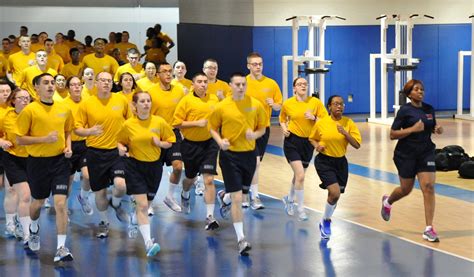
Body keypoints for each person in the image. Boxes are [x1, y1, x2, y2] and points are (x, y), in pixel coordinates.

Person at [16, 73, 74, 262]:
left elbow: (67, 130)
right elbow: (19, 139)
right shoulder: (30, 110)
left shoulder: (64, 108)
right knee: (38, 203)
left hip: (60, 162)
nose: (50, 86)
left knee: (60, 203)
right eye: (45, 83)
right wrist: (44, 139)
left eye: (52, 83)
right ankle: (33, 228)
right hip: (38, 163)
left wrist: (68, 146)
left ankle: (61, 247)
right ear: (36, 88)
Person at [210, 72, 267, 255]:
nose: (241, 87)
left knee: (242, 193)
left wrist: (255, 135)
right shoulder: (222, 106)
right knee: (238, 199)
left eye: (243, 84)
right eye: (237, 84)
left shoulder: (255, 105)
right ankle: (241, 239)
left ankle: (223, 196)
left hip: (249, 155)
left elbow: (262, 128)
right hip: (229, 157)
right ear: (230, 85)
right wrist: (220, 142)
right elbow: (212, 128)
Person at [381, 79, 443, 242]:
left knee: (428, 187)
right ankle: (388, 201)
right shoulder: (404, 111)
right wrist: (412, 129)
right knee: (406, 189)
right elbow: (393, 134)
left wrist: (437, 128)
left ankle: (429, 228)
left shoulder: (429, 109)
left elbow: (432, 125)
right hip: (406, 154)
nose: (421, 91)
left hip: (426, 152)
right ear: (409, 94)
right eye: (417, 89)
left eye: (422, 89)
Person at [118, 91, 175, 257]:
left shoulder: (159, 122)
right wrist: (121, 148)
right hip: (134, 166)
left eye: (148, 101)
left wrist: (160, 143)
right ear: (135, 106)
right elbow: (120, 141)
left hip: (154, 167)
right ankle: (149, 243)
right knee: (143, 205)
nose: (146, 104)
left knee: (147, 204)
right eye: (142, 101)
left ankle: (135, 218)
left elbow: (170, 142)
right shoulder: (128, 124)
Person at [75, 72, 131, 238]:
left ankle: (115, 203)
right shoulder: (87, 103)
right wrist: (89, 131)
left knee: (121, 186)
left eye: (109, 80)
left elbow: (131, 122)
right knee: (99, 193)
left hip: (116, 151)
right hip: (95, 153)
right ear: (96, 83)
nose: (106, 83)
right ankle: (104, 222)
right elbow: (77, 128)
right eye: (103, 80)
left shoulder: (121, 100)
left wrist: (128, 145)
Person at [308, 95, 361, 240]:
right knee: (335, 193)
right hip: (324, 161)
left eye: (341, 104)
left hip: (341, 163)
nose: (339, 106)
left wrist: (345, 133)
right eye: (336, 104)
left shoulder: (348, 123)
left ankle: (324, 219)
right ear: (329, 107)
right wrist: (317, 146)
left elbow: (357, 144)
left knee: (334, 196)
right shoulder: (322, 123)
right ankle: (326, 221)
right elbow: (312, 138)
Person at [172, 73, 220, 229]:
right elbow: (176, 123)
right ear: (193, 84)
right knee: (190, 179)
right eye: (199, 81)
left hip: (210, 144)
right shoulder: (186, 101)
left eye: (205, 82)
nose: (203, 84)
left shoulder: (214, 99)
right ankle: (185, 193)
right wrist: (196, 123)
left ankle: (210, 216)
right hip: (191, 145)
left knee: (209, 180)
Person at [279, 77, 328, 220]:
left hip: (309, 143)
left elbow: (325, 121)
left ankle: (289, 198)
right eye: (299, 84)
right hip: (292, 141)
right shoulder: (288, 103)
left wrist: (314, 118)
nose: (303, 86)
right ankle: (300, 209)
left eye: (305, 84)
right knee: (300, 175)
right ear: (294, 88)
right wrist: (284, 128)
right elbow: (282, 119)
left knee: (298, 176)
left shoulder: (315, 102)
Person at [245, 52, 283, 209]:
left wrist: (274, 104)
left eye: (260, 63)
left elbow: (279, 105)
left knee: (254, 163)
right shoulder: (242, 83)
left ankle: (236, 193)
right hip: (245, 128)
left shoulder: (271, 84)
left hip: (263, 128)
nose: (258, 66)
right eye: (254, 64)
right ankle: (254, 196)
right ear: (248, 66)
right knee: (254, 162)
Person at [149, 62, 186, 213]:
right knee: (154, 172)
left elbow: (184, 112)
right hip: (155, 134)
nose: (168, 74)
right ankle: (148, 201)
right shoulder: (150, 92)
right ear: (158, 75)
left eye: (170, 71)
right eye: (164, 71)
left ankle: (170, 196)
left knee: (178, 167)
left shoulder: (179, 91)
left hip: (173, 134)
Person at [0, 88, 31, 247]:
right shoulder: (6, 116)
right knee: (20, 193)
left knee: (25, 196)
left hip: (32, 159)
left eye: (28, 98)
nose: (26, 100)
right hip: (12, 158)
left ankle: (19, 224)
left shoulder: (34, 114)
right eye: (22, 98)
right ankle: (22, 230)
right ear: (14, 101)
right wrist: (1, 142)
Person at [62, 76, 93, 215]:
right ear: (68, 88)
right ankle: (64, 207)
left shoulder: (88, 102)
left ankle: (83, 197)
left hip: (85, 144)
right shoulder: (63, 105)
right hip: (69, 145)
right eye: (73, 85)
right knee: (67, 181)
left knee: (87, 176)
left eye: (78, 84)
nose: (76, 87)